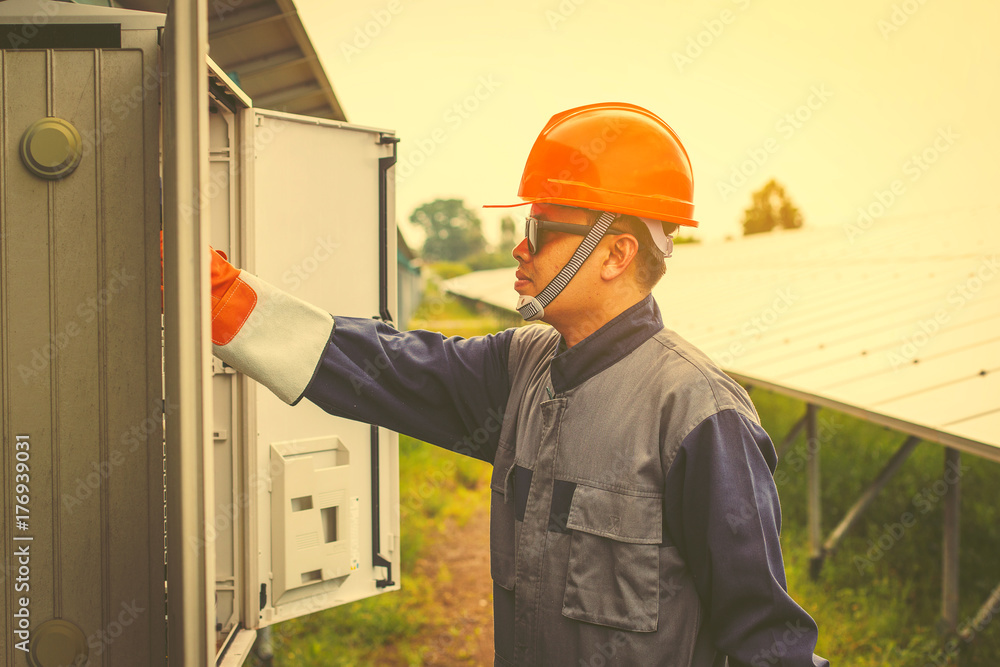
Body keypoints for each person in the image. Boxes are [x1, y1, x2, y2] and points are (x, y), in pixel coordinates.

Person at [210, 102, 829, 666]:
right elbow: (389, 367)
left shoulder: (699, 415)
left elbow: (767, 642)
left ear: (614, 255)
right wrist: (231, 305)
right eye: (521, 230)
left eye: (541, 230)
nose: (520, 251)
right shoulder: (522, 366)